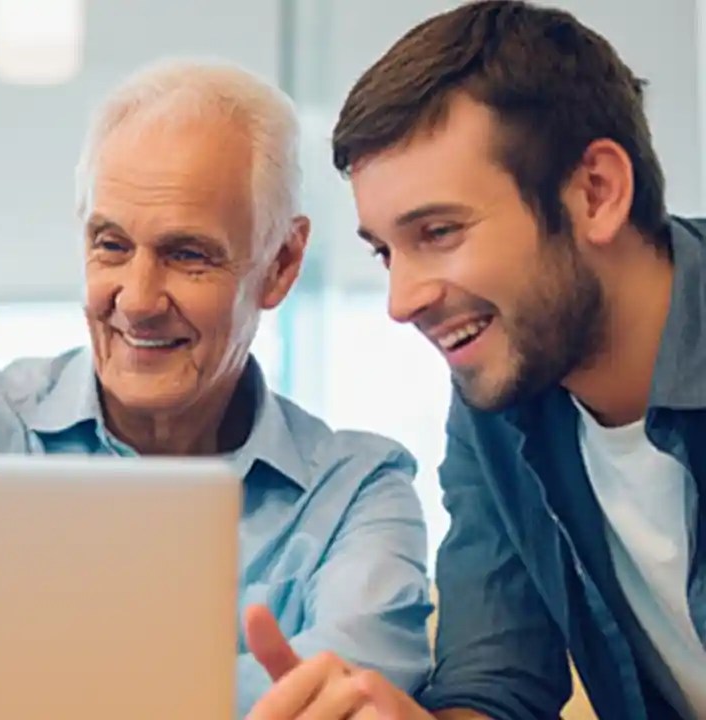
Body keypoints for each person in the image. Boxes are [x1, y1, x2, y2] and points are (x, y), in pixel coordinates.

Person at [0, 60, 433, 716]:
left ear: (281, 264)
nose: (136, 300)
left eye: (188, 255)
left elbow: (347, 696)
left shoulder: (356, 493)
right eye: (110, 245)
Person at [241, 2, 706, 719]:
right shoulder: (503, 399)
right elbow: (497, 682)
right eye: (385, 251)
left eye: (439, 231)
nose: (402, 299)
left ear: (597, 193)